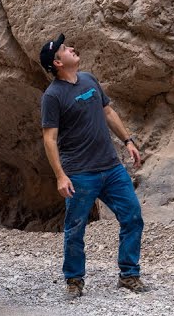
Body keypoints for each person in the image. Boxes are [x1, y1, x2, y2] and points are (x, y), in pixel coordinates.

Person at [38, 33, 147, 298]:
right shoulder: (52, 96)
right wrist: (60, 176)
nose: (72, 48)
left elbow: (107, 111)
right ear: (57, 62)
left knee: (133, 217)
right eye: (65, 49)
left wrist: (128, 140)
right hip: (80, 174)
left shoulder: (88, 79)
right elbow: (49, 139)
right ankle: (74, 280)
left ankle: (129, 275)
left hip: (111, 168)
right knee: (75, 228)